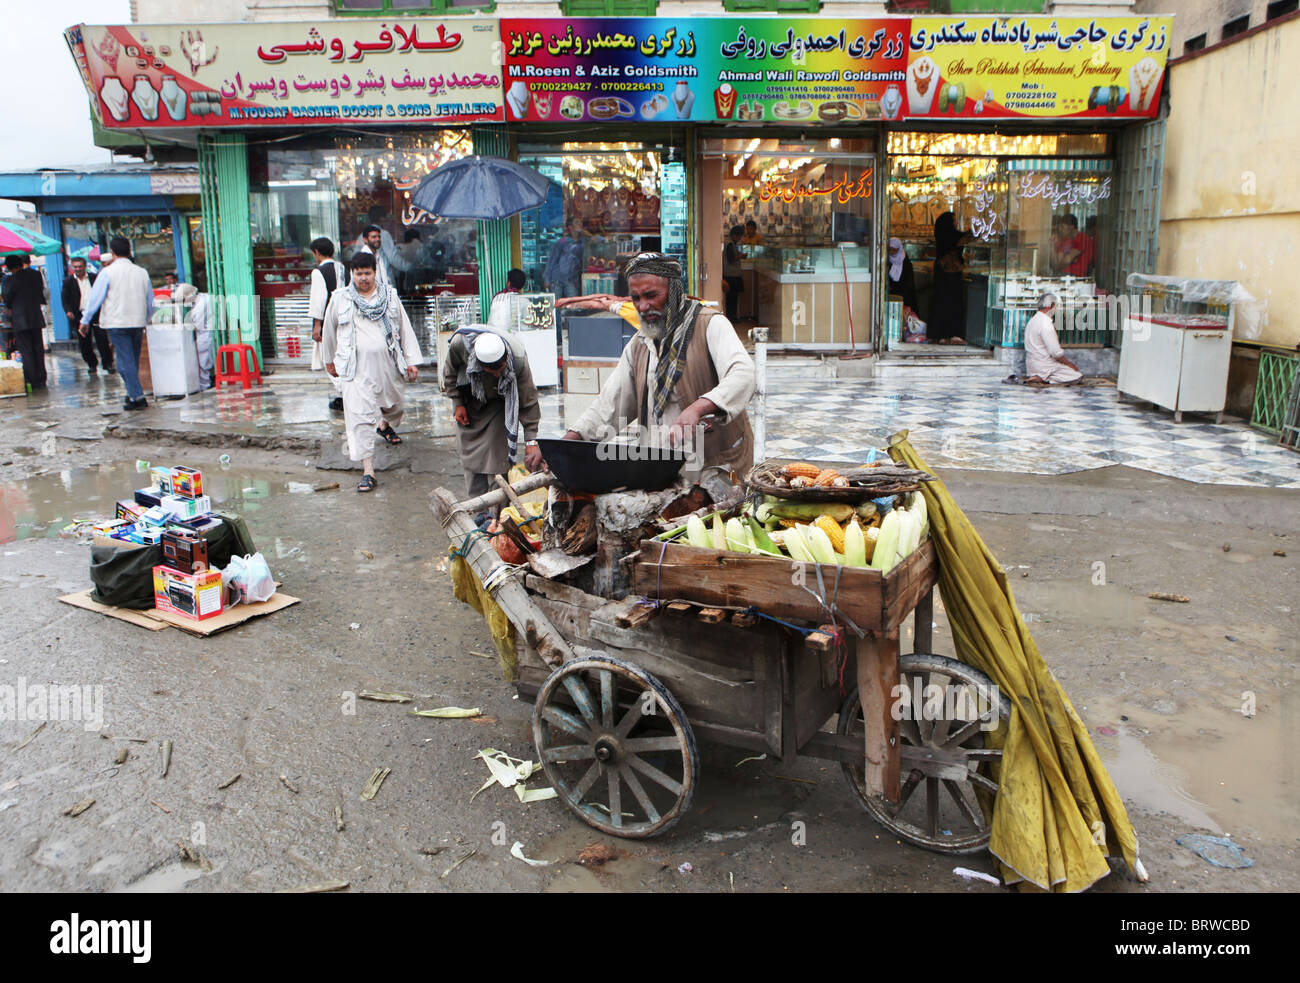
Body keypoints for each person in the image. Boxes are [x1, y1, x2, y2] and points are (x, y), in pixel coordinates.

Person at [562, 252, 756, 477]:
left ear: (673, 291)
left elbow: (743, 374)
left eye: (651, 295)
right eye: (636, 298)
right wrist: (571, 440)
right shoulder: (640, 344)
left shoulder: (711, 324)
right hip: (664, 463)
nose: (643, 306)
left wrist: (698, 408)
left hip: (715, 464)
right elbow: (611, 403)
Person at [320, 252, 422, 493]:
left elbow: (405, 329)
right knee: (359, 418)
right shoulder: (340, 298)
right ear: (352, 274)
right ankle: (368, 472)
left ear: (375, 272)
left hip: (388, 365)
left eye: (367, 273)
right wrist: (328, 360)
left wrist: (412, 361)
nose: (363, 278)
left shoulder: (389, 296)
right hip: (355, 370)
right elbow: (329, 331)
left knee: (395, 406)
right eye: (358, 274)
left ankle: (385, 424)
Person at [441, 326, 543, 502]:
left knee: (497, 463)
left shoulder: (517, 359)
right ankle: (478, 509)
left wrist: (531, 440)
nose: (497, 373)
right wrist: (458, 404)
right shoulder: (460, 345)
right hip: (470, 400)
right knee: (470, 461)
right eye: (491, 370)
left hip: (500, 404)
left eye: (500, 368)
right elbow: (449, 374)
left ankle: (498, 511)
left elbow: (529, 401)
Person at [80, 236, 155, 410]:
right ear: (129, 251)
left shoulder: (106, 273)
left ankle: (138, 397)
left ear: (112, 253)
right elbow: (150, 301)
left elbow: (95, 299)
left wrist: (85, 320)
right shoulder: (142, 272)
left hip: (117, 322)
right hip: (137, 321)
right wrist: (146, 318)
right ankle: (132, 394)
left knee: (126, 361)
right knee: (130, 360)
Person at [308, 236, 348, 412]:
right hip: (344, 315)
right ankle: (344, 393)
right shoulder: (342, 268)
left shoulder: (318, 272)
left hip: (328, 319)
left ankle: (343, 393)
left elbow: (318, 299)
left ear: (316, 253)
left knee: (328, 357)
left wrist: (317, 325)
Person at [2, 255, 49, 390]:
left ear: (10, 267)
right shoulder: (35, 275)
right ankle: (41, 378)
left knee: (26, 350)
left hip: (20, 320)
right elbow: (41, 294)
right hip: (36, 317)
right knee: (38, 349)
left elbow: (7, 298)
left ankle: (31, 379)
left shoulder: (11, 280)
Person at [63, 257, 114, 376]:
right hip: (79, 314)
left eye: (80, 266)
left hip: (96, 313)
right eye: (75, 267)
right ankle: (92, 364)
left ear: (85, 266)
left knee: (102, 340)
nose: (78, 269)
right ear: (72, 267)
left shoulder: (94, 278)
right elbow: (65, 298)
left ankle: (107, 364)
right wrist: (68, 311)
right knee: (84, 342)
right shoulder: (68, 281)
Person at [929, 211, 970, 346]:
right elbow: (967, 238)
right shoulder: (951, 236)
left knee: (941, 304)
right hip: (951, 274)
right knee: (952, 304)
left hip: (942, 274)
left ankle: (941, 334)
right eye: (954, 221)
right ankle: (953, 334)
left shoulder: (942, 234)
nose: (956, 223)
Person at [1024, 293, 1082, 385]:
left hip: (1031, 367)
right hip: (1045, 365)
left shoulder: (1033, 320)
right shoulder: (1046, 323)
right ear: (1051, 306)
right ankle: (1043, 378)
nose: (1057, 310)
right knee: (1076, 376)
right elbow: (1055, 352)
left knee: (1065, 371)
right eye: (1056, 306)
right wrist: (1068, 364)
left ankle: (1040, 376)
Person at [172, 283, 214, 389]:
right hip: (204, 333)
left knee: (203, 360)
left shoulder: (202, 304)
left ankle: (205, 384)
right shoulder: (203, 298)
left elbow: (196, 325)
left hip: (206, 334)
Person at [543, 217, 583, 298]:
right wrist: (547, 279)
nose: (580, 224)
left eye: (580, 222)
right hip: (557, 279)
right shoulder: (562, 242)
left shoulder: (582, 242)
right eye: (577, 222)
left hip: (572, 279)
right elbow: (552, 261)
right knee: (556, 305)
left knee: (573, 305)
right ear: (570, 227)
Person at [1054, 213, 1094, 277]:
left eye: (1062, 227)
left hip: (1076, 277)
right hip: (1062, 275)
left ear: (1071, 227)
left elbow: (1067, 260)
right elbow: (1058, 259)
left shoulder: (1082, 238)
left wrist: (1057, 266)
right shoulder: (1065, 240)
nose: (1060, 230)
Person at [887, 237, 918, 315]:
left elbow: (908, 282)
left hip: (905, 296)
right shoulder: (886, 260)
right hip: (891, 295)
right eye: (890, 249)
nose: (892, 252)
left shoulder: (905, 262)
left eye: (894, 250)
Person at [721, 225, 744, 322]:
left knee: (731, 298)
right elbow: (731, 259)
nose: (740, 238)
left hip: (730, 275)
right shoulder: (730, 244)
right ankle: (732, 317)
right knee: (732, 298)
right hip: (732, 275)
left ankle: (731, 317)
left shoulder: (729, 244)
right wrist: (741, 256)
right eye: (739, 236)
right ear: (735, 235)